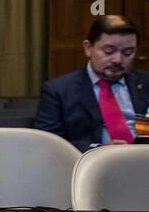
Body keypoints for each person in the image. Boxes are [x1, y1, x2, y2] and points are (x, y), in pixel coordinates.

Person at [35, 15, 149, 151]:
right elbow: (49, 143)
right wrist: (99, 150)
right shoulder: (58, 90)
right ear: (88, 48)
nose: (117, 59)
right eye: (109, 51)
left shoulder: (145, 82)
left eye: (128, 52)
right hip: (90, 166)